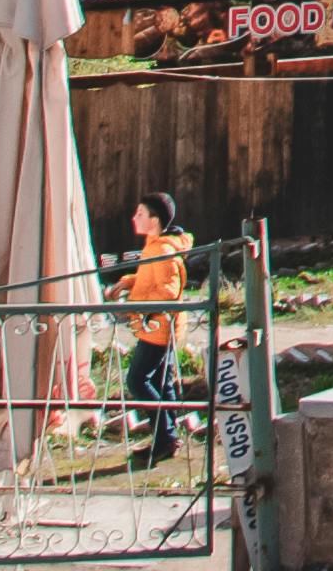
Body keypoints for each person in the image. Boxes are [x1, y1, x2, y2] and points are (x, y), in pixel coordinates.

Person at [115, 195, 188, 468]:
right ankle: (166, 440)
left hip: (158, 327)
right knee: (161, 383)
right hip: (160, 325)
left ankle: (165, 436)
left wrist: (133, 301)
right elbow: (150, 278)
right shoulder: (155, 246)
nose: (135, 218)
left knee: (137, 381)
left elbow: (169, 291)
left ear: (154, 220)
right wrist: (127, 282)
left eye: (140, 214)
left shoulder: (162, 249)